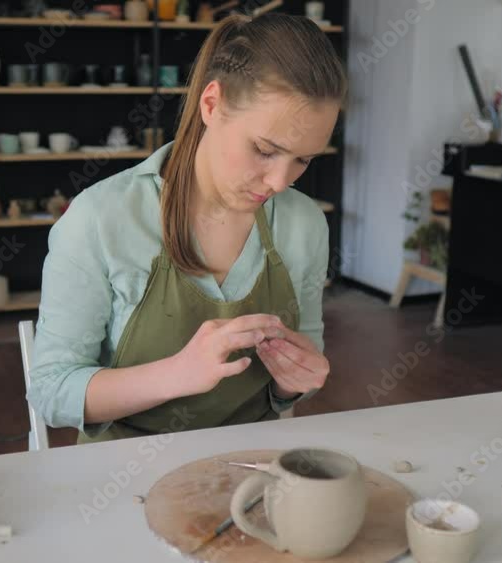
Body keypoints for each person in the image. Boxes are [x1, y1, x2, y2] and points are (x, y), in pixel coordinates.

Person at [29, 12, 347, 443]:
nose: (279, 182)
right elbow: (50, 392)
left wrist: (295, 380)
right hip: (119, 474)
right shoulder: (100, 219)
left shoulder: (304, 225)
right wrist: (178, 374)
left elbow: (288, 387)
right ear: (212, 104)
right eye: (265, 150)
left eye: (303, 160)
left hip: (248, 469)